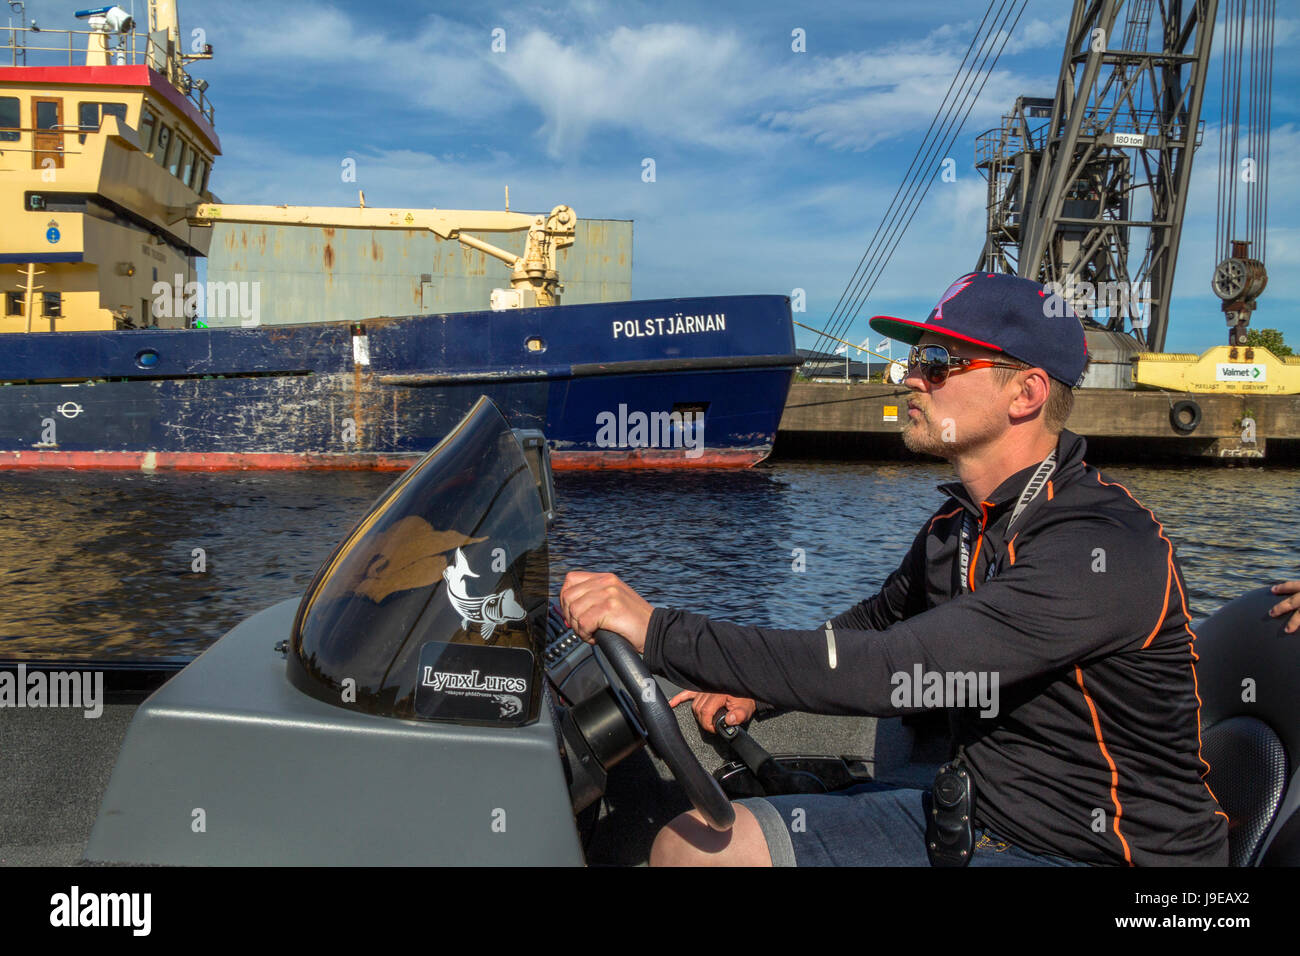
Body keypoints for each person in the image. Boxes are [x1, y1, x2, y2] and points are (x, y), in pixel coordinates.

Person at [560, 272, 1230, 867]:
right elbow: (876, 621)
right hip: (978, 814)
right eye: (915, 359)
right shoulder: (961, 525)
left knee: (693, 851)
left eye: (938, 362)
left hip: (1095, 853)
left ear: (1024, 392)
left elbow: (895, 670)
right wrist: (759, 692)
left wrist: (659, 630)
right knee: (690, 840)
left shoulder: (1096, 544)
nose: (910, 377)